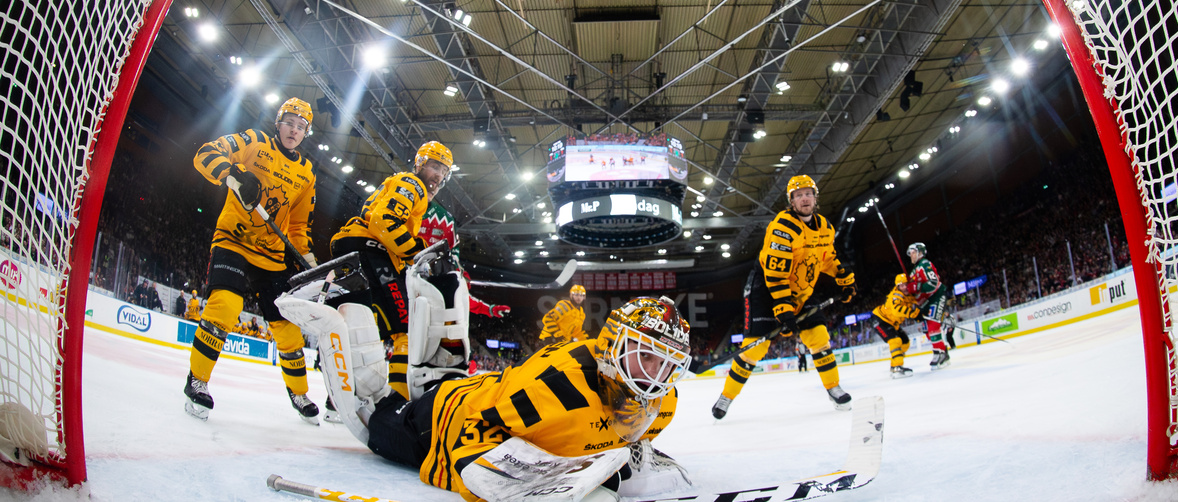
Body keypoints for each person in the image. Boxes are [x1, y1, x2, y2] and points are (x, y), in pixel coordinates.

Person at [280, 294, 694, 501]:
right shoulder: (556, 386)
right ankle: (367, 366)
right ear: (616, 344)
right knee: (378, 427)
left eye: (668, 364)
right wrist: (493, 479)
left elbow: (627, 440)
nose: (657, 376)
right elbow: (474, 425)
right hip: (447, 415)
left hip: (495, 396)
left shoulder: (665, 402)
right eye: (646, 357)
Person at [182, 97, 321, 423]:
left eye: (301, 127)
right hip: (234, 240)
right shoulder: (254, 142)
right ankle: (197, 381)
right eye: (290, 122)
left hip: (272, 256)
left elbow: (299, 226)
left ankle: (299, 394)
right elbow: (205, 153)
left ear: (305, 134)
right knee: (226, 307)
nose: (294, 130)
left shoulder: (306, 173)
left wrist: (308, 259)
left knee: (288, 331)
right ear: (278, 122)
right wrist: (232, 175)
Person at [712, 175, 856, 419]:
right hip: (765, 289)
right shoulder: (783, 226)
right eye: (798, 195)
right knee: (754, 350)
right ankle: (726, 397)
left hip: (801, 289)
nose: (804, 198)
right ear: (791, 201)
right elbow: (775, 272)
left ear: (815, 197)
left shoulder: (825, 227)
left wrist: (843, 278)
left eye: (808, 193)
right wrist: (782, 306)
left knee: (819, 336)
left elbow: (827, 258)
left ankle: (834, 388)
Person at [325, 140, 457, 401]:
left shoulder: (406, 185)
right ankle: (397, 403)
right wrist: (417, 251)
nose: (438, 176)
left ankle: (339, 398)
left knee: (361, 328)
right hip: (370, 250)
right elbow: (383, 221)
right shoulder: (412, 184)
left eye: (444, 171)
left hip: (358, 248)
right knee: (405, 330)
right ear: (419, 164)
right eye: (434, 166)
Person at [905, 242, 951, 370]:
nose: (911, 256)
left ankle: (941, 353)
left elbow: (933, 282)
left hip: (936, 296)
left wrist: (916, 287)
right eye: (910, 253)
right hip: (925, 303)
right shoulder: (914, 270)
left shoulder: (924, 264)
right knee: (927, 330)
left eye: (913, 252)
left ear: (920, 252)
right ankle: (940, 351)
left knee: (932, 326)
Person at [871, 274, 921, 378]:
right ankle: (898, 367)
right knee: (895, 341)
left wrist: (918, 314)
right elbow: (897, 310)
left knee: (905, 343)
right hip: (880, 320)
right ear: (897, 287)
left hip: (893, 323)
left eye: (906, 284)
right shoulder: (896, 295)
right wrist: (911, 313)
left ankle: (894, 366)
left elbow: (915, 308)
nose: (904, 287)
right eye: (901, 285)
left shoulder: (910, 297)